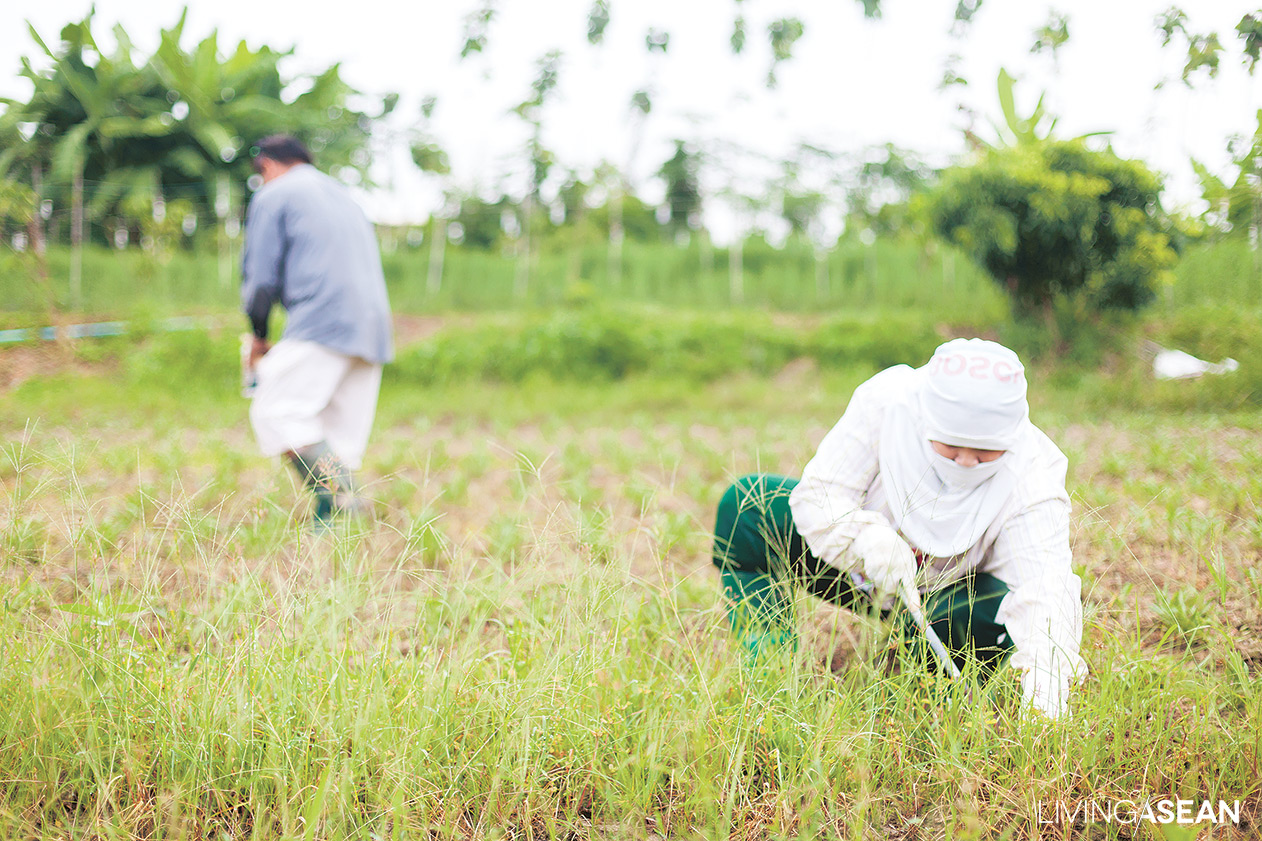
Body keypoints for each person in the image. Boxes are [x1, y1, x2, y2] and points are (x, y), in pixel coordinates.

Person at [712, 338, 1086, 719]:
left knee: (993, 605)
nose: (967, 462)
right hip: (853, 567)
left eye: (985, 452)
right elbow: (820, 494)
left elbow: (1044, 588)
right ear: (928, 421)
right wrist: (863, 537)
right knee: (747, 506)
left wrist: (1046, 696)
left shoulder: (1035, 474)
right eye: (952, 446)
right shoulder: (887, 403)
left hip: (946, 600)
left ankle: (921, 688)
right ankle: (768, 672)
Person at [241, 134, 393, 528]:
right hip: (373, 326)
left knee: (278, 412)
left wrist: (259, 335)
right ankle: (343, 532)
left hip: (323, 320)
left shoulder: (275, 195)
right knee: (333, 432)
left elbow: (260, 279)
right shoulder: (344, 196)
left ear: (269, 166)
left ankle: (344, 506)